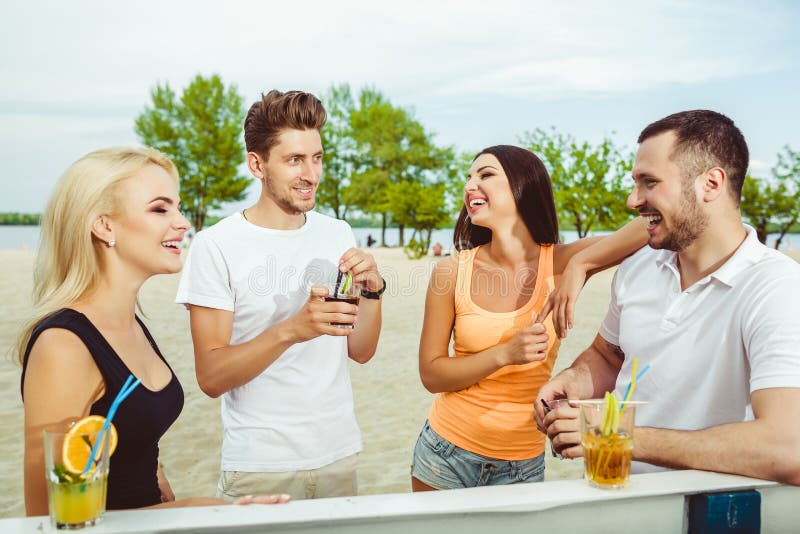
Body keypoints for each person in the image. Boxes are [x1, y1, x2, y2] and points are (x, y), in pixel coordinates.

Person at [19, 147, 289, 516]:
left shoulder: (132, 325)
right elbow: (46, 516)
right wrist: (206, 509)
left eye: (177, 207)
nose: (182, 222)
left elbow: (134, 454)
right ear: (105, 226)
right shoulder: (63, 346)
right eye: (160, 209)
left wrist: (200, 501)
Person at [536, 110, 800, 484]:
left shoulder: (776, 287)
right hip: (614, 496)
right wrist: (575, 379)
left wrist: (621, 438)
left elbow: (789, 448)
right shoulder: (638, 267)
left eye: (649, 182)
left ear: (711, 184)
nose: (633, 200)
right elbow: (608, 355)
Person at [176, 90, 384, 501]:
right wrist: (293, 329)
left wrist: (374, 292)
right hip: (259, 466)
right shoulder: (215, 245)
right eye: (294, 160)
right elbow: (212, 377)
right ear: (257, 164)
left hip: (338, 456)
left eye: (317, 158)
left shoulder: (337, 233)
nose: (311, 174)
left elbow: (360, 350)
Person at [411, 145, 648, 491]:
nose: (470, 186)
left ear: (523, 187)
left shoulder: (562, 261)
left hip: (521, 465)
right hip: (445, 454)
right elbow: (432, 374)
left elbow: (646, 225)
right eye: (469, 177)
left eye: (486, 175)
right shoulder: (451, 271)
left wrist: (580, 266)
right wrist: (504, 354)